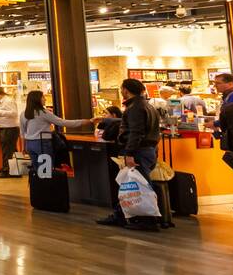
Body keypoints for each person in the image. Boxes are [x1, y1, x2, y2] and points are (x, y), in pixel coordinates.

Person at [97, 78, 161, 231]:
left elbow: (135, 133)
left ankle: (147, 220)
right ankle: (123, 215)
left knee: (139, 185)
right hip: (149, 150)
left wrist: (129, 153)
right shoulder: (148, 106)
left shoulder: (135, 108)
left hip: (139, 151)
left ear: (125, 90)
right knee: (136, 183)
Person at [19, 89, 94, 170]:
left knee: (37, 170)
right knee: (45, 171)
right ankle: (46, 182)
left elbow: (22, 132)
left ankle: (38, 182)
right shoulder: (43, 113)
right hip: (42, 143)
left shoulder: (23, 114)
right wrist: (87, 121)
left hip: (30, 145)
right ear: (37, 99)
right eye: (43, 97)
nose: (45, 99)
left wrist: (23, 147)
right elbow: (63, 122)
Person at [212, 72, 233, 212]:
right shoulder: (230, 99)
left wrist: (216, 124)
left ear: (230, 83)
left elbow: (226, 123)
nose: (215, 86)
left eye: (218, 83)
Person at [0, 86, 20, 177]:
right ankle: (14, 171)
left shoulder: (8, 101)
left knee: (7, 151)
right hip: (5, 128)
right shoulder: (0, 102)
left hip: (9, 128)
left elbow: (14, 113)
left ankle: (6, 171)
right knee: (10, 151)